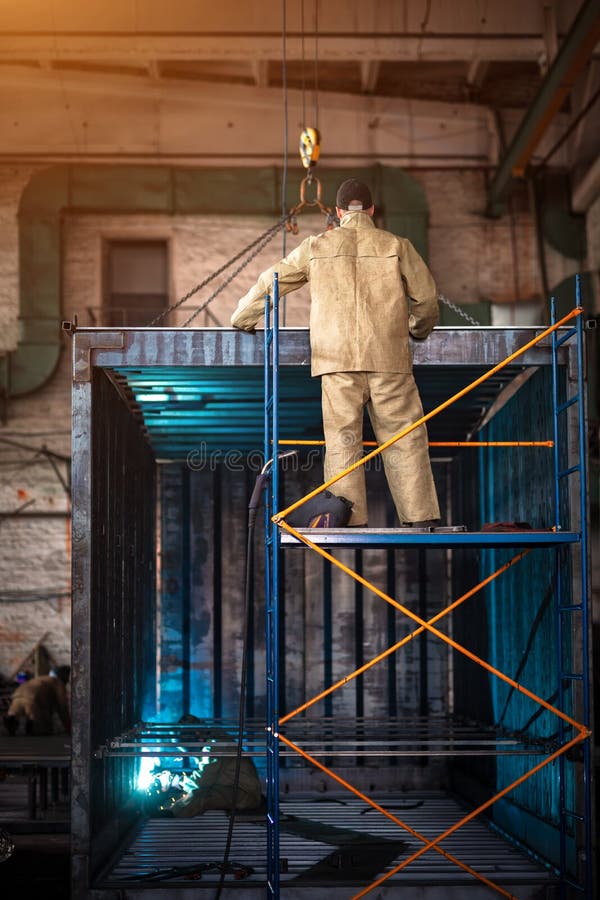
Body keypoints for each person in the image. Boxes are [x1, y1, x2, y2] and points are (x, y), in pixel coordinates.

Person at [231, 178, 440, 527]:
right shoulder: (396, 245)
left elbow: (272, 281)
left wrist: (244, 316)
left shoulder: (317, 246)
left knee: (343, 440)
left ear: (340, 212)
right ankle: (420, 518)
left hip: (336, 361)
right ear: (371, 210)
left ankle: (348, 518)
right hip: (389, 359)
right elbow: (426, 299)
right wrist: (418, 329)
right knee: (404, 437)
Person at [3, 665, 71, 736]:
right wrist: (68, 727)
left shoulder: (40, 679)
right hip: (32, 700)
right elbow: (62, 706)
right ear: (65, 677)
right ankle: (32, 725)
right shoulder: (58, 682)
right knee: (43, 730)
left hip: (16, 696)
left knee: (14, 713)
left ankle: (12, 718)